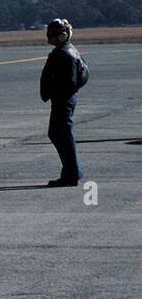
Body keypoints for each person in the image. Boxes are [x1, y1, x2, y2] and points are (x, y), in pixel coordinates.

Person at [40, 18, 88, 187]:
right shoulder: (68, 50)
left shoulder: (64, 54)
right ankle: (70, 172)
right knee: (56, 133)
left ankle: (71, 174)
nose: (49, 37)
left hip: (63, 100)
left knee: (63, 136)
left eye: (53, 34)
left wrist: (55, 92)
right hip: (63, 99)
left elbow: (69, 82)